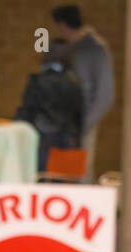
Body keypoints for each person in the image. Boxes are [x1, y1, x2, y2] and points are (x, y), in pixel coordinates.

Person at [51, 4, 113, 182]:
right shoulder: (63, 48)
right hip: (60, 121)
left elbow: (105, 94)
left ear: (63, 25)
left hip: (82, 120)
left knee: (81, 170)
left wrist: (86, 122)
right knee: (57, 172)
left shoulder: (95, 49)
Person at [15, 44, 85, 170]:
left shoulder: (37, 80)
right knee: (63, 179)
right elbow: (79, 115)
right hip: (66, 138)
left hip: (41, 137)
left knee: (41, 180)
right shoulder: (74, 83)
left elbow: (27, 110)